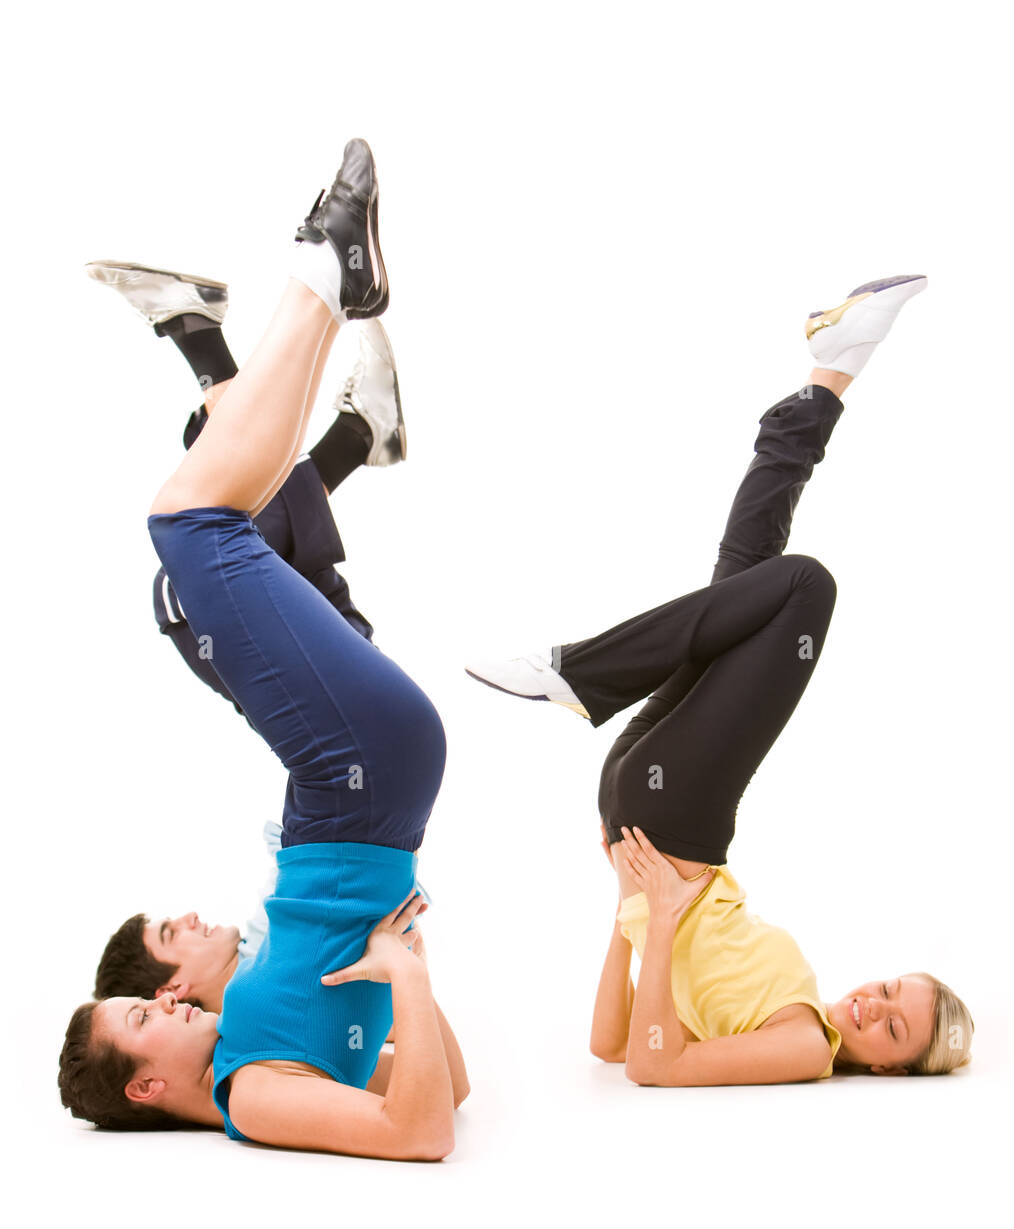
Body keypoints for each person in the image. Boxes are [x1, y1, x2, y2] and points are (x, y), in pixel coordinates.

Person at [59, 139, 466, 1159]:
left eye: (150, 1004)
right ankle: (324, 278)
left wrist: (399, 962)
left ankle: (305, 403)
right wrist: (403, 966)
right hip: (353, 785)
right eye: (147, 1015)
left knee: (206, 557)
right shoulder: (252, 1093)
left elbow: (446, 1085)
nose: (173, 1009)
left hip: (354, 787)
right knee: (190, 531)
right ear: (149, 1086)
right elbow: (422, 1133)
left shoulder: (261, 1027)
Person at [466, 275, 974, 1086]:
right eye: (887, 991)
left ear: (891, 1069)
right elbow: (608, 1043)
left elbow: (649, 1066)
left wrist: (654, 919)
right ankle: (831, 373)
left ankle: (582, 672)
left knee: (806, 588)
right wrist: (632, 911)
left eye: (891, 1027)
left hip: (671, 823)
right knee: (746, 584)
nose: (869, 1007)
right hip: (652, 820)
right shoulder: (804, 1003)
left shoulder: (807, 1050)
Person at [83, 260, 424, 1012]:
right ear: (174, 993)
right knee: (191, 571)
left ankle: (346, 428)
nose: (194, 918)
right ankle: (224, 352)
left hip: (341, 722)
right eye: (174, 934)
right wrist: (405, 956)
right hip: (357, 734)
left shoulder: (265, 953)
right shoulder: (264, 1003)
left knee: (211, 570)